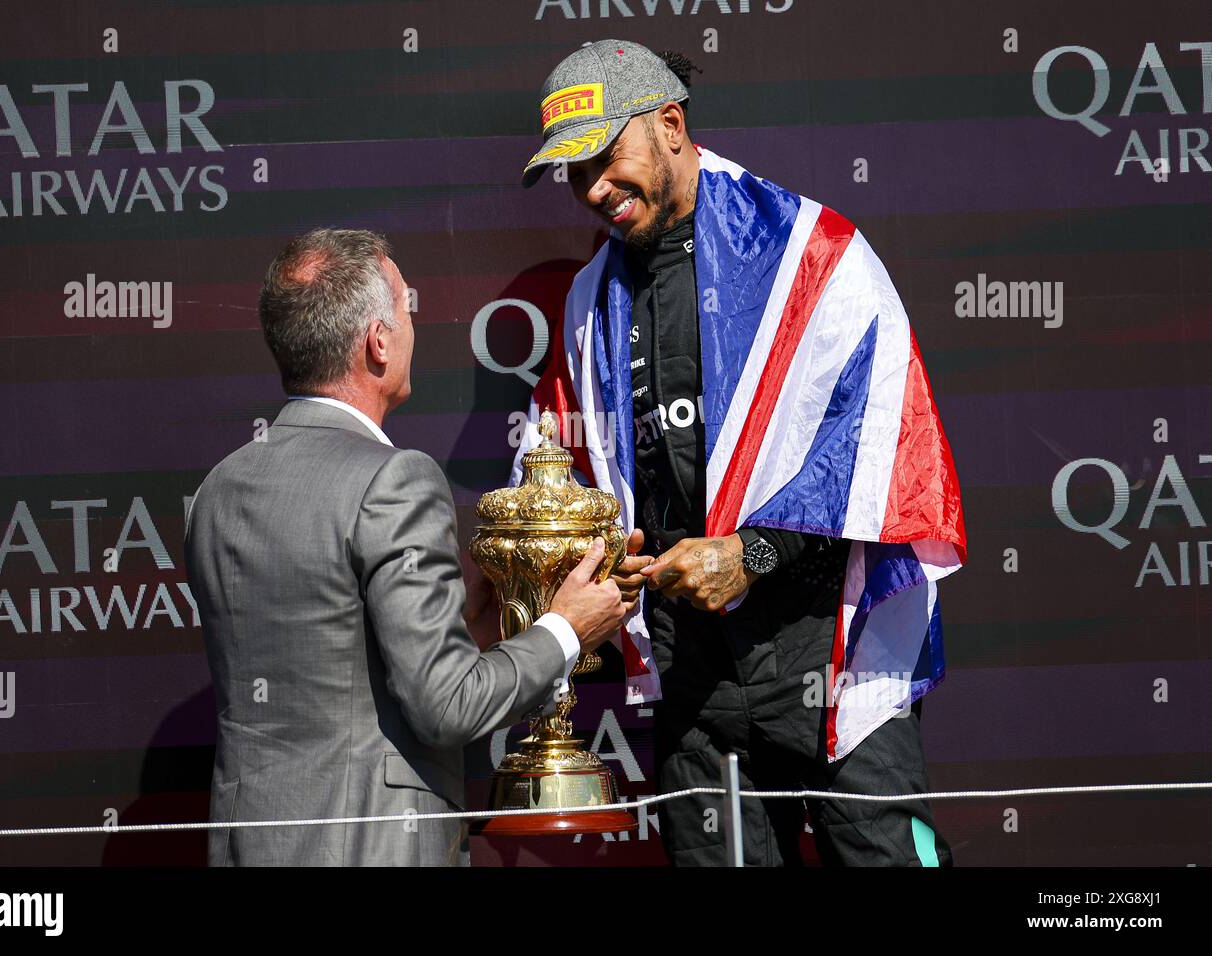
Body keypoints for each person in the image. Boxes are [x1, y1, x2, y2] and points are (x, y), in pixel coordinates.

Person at [513, 41, 967, 866]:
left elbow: (884, 446)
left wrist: (754, 550)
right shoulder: (587, 303)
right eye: (573, 174)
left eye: (604, 160)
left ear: (671, 124)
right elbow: (562, 473)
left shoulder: (814, 252)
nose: (593, 191)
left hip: (824, 648)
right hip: (694, 677)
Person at [185, 228, 625, 866]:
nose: (414, 331)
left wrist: (471, 621)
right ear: (378, 341)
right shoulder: (394, 479)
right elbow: (445, 706)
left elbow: (336, 657)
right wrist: (565, 629)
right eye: (407, 312)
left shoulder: (215, 492)